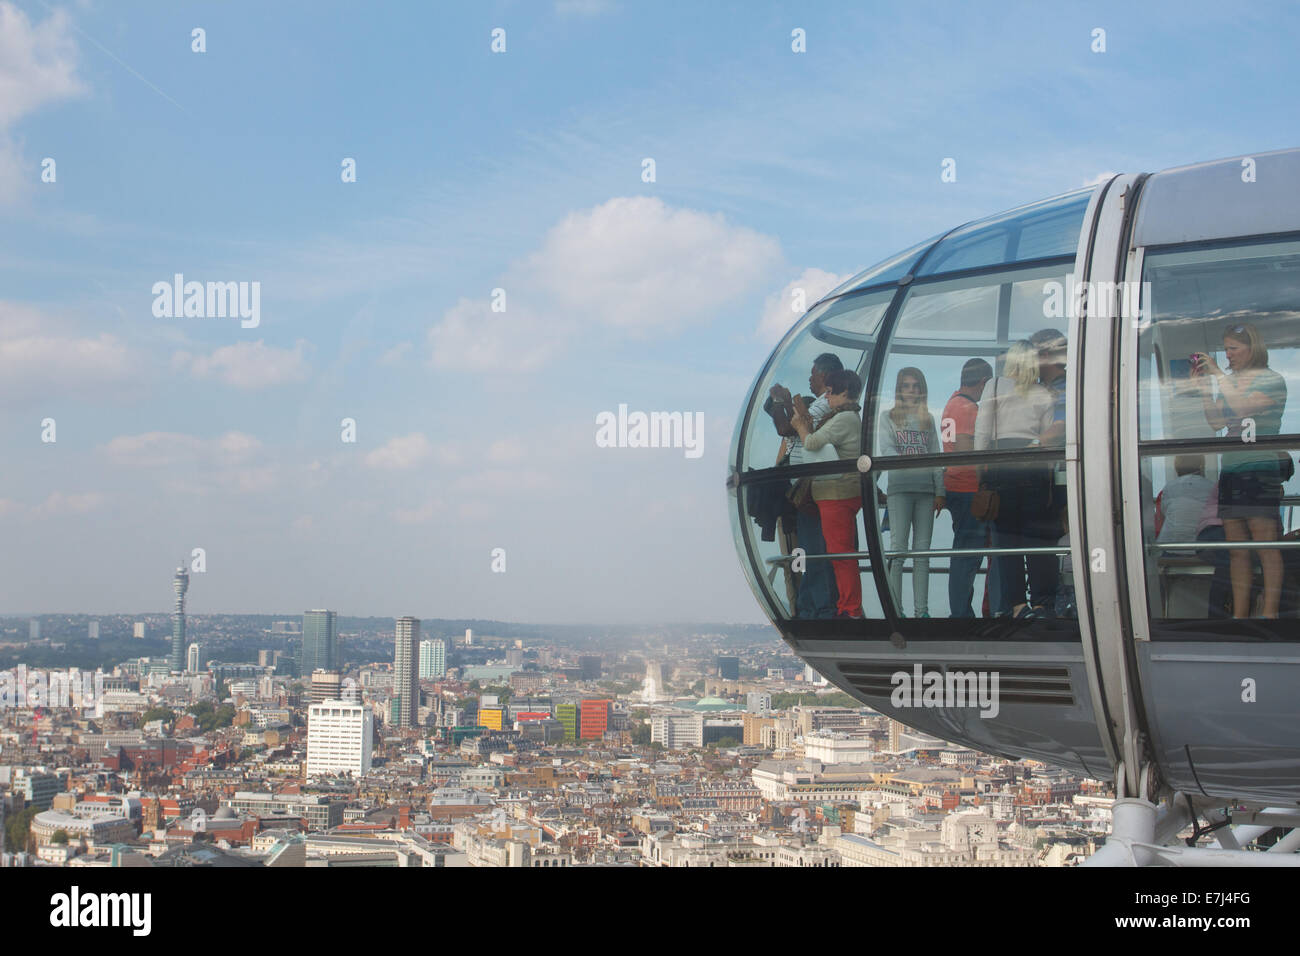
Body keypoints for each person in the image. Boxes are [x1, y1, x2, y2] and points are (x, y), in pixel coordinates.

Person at [1192, 322, 1289, 618]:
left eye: (1233, 348)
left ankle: (1269, 613)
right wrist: (1204, 390)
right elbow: (1216, 422)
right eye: (1226, 349)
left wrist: (1220, 377)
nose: (1228, 355)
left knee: (1265, 544)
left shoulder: (1271, 379)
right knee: (1236, 549)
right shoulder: (1229, 383)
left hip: (1259, 469)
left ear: (1252, 348)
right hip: (1231, 471)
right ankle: (1239, 615)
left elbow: (1244, 408)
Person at [973, 340, 1057, 619]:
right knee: (1037, 539)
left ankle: (1018, 606)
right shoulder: (1043, 393)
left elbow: (982, 434)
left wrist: (980, 473)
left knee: (1007, 541)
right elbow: (1047, 439)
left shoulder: (994, 386)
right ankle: (1044, 602)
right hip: (1034, 467)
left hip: (1001, 466)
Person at [765, 353, 843, 618]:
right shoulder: (827, 403)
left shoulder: (824, 404)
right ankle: (814, 606)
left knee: (815, 552)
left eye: (812, 374)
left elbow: (788, 428)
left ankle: (818, 609)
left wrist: (781, 403)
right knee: (812, 551)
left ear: (824, 375)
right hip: (810, 492)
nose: (809, 379)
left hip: (814, 491)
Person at [792, 369, 864, 619]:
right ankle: (848, 605)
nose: (828, 398)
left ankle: (850, 609)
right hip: (839, 493)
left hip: (836, 493)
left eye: (831, 392)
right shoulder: (848, 417)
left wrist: (802, 428)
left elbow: (812, 443)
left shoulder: (844, 419)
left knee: (840, 554)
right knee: (840, 552)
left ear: (844, 392)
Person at [876, 367, 943, 617]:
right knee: (898, 550)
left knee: (922, 554)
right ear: (899, 390)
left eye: (916, 386)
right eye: (907, 386)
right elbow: (887, 449)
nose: (912, 390)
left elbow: (936, 455)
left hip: (926, 491)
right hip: (900, 489)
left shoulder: (929, 419)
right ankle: (896, 610)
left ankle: (921, 612)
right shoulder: (888, 417)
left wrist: (941, 491)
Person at [942, 358, 994, 618]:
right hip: (969, 489)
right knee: (968, 555)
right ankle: (962, 614)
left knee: (965, 552)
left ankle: (963, 611)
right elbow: (965, 450)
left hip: (955, 487)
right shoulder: (967, 408)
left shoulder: (952, 402)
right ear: (984, 382)